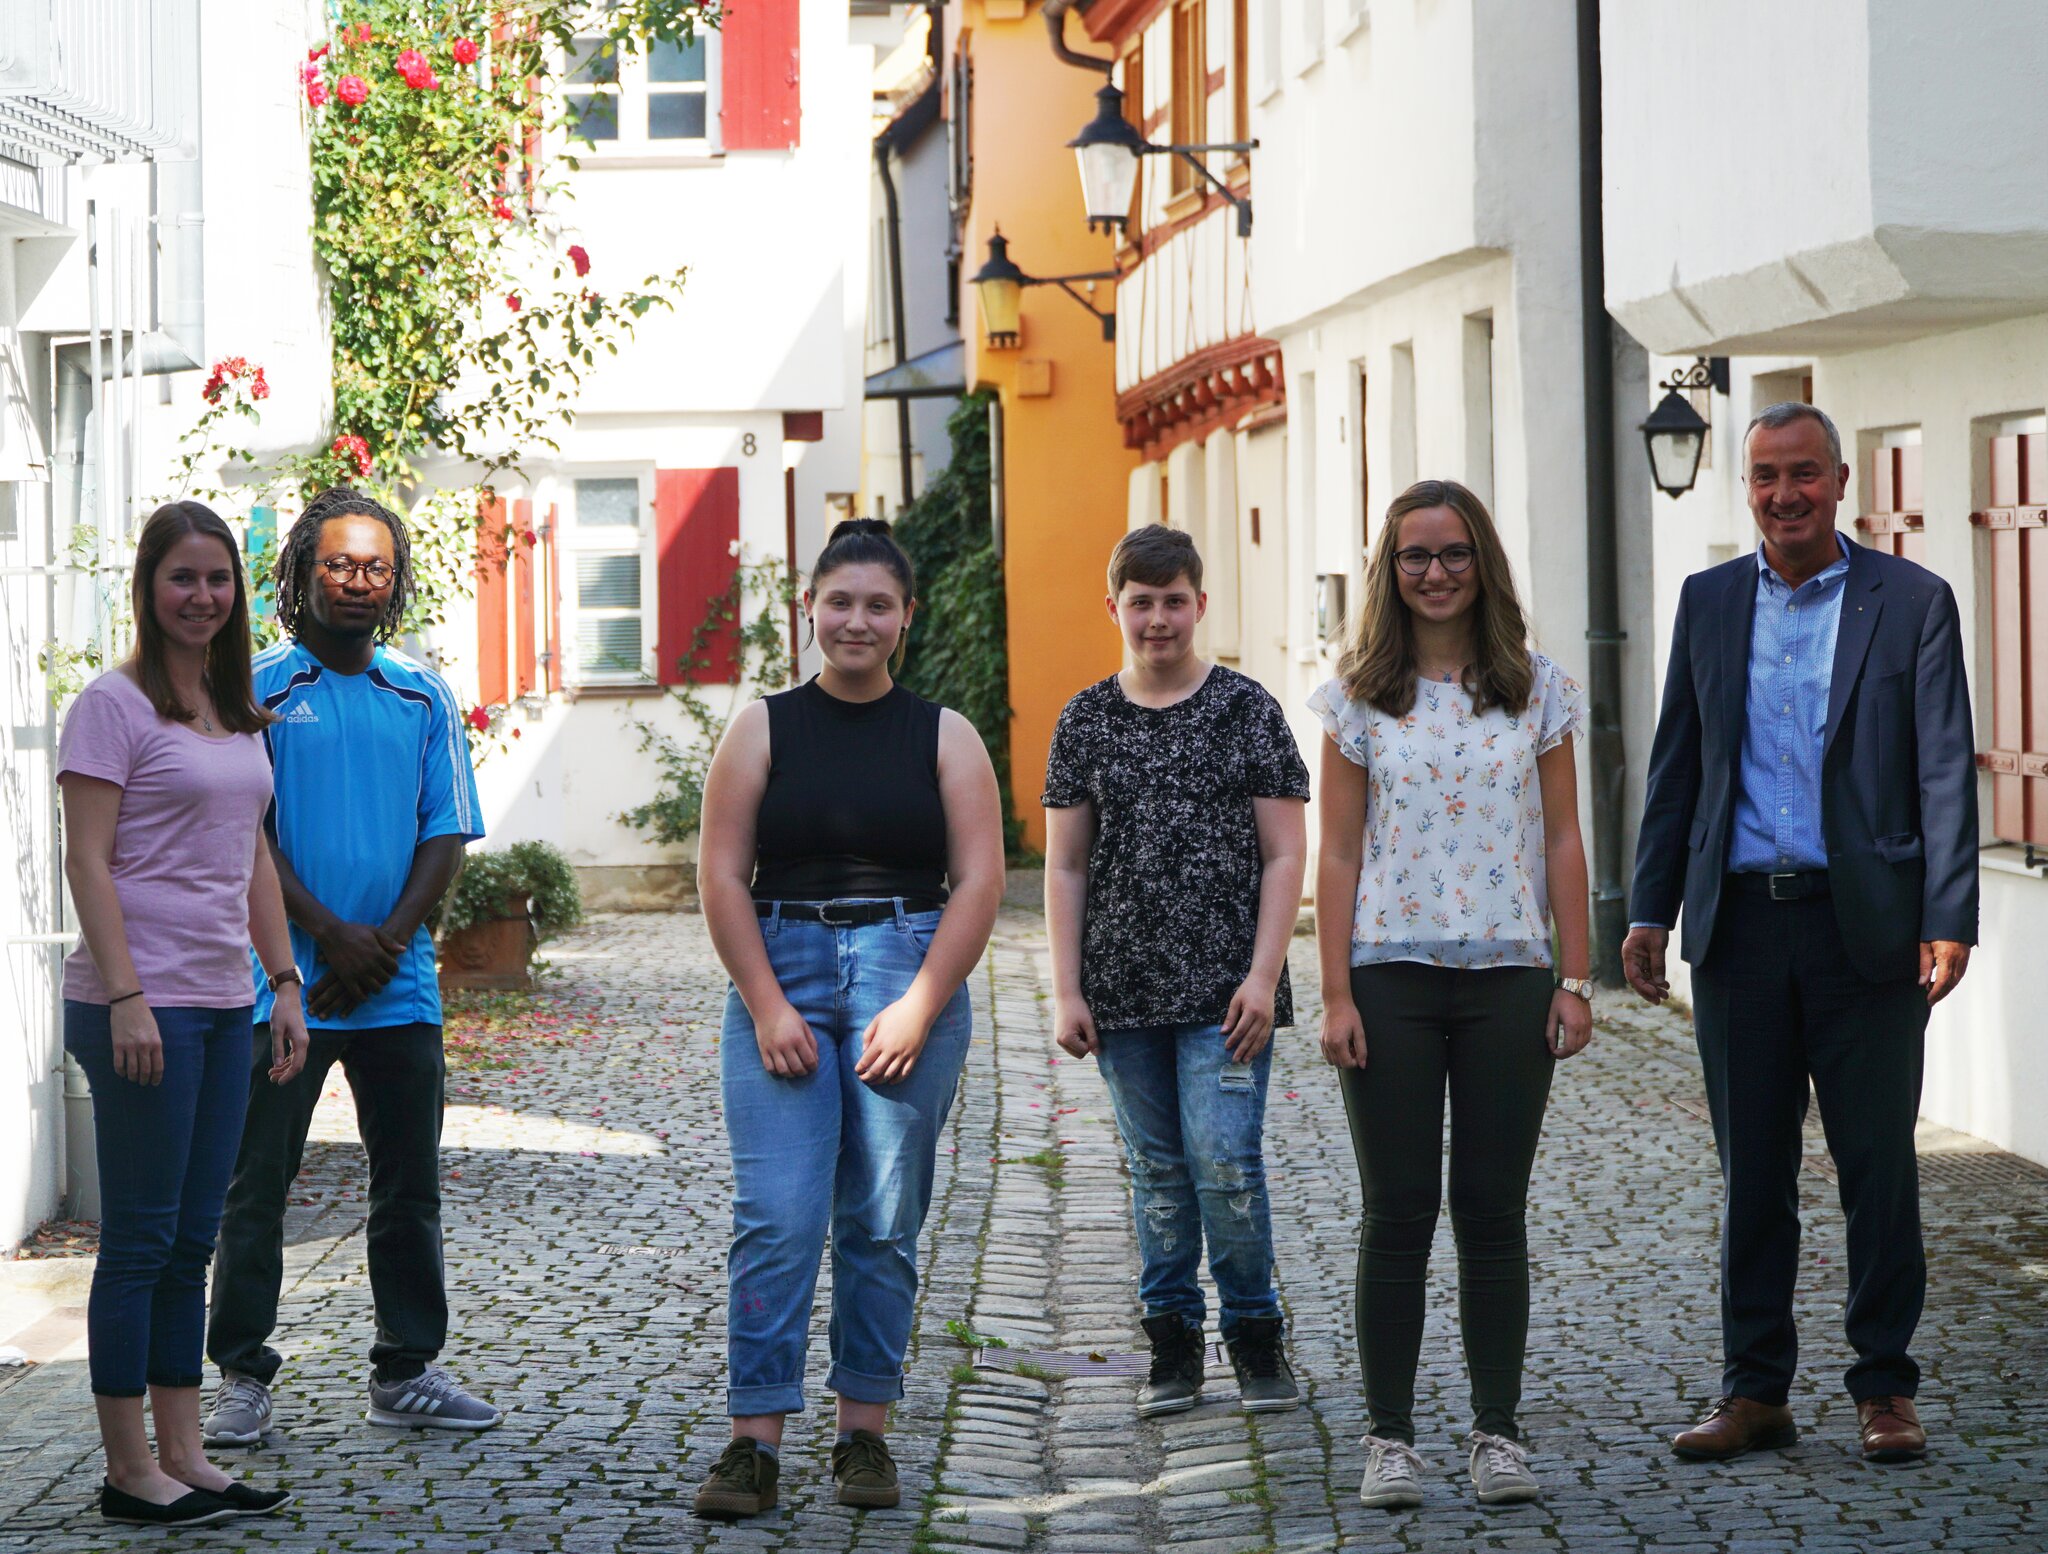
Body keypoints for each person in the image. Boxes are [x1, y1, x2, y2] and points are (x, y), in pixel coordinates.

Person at [1624, 403, 1976, 1465]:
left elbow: (1942, 765)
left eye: (1803, 475)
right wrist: (1648, 907)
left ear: (1838, 481)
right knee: (1751, 1172)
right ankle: (1753, 1390)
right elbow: (1676, 761)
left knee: (1876, 1166)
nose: (1783, 495)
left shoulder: (1908, 601)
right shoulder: (1707, 601)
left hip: (1861, 929)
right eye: (1764, 477)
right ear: (1746, 487)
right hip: (1737, 930)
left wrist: (1946, 915)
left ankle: (1883, 1387)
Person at [689, 518, 1004, 1520]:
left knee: (879, 1220)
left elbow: (981, 879)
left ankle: (862, 1434)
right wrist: (765, 1002)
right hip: (779, 968)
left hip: (903, 970)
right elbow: (719, 872)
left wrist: (919, 1003)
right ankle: (752, 1443)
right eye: (840, 602)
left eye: (877, 605)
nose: (856, 621)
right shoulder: (762, 726)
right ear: (809, 610)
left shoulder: (944, 734)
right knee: (777, 1217)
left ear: (905, 618)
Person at [1309, 478, 1592, 1511]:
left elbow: (1562, 836)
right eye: (1414, 556)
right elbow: (1335, 853)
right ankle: (1388, 1438)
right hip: (1387, 976)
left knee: (1490, 1210)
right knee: (1395, 1213)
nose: (1434, 572)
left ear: (1483, 565)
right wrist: (1333, 991)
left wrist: (1571, 975)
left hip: (1508, 979)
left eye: (1453, 553)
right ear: (1389, 570)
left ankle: (1496, 1433)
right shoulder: (1354, 698)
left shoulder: (1537, 691)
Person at [204, 487, 493, 1444]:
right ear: (299, 572)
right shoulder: (260, 691)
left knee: (407, 1186)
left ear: (395, 580)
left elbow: (445, 832)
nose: (357, 581)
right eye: (337, 563)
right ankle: (241, 1374)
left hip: (397, 993)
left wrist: (386, 946)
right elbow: (247, 831)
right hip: (283, 987)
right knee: (257, 1184)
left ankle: (405, 1369)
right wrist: (331, 936)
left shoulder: (423, 692)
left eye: (374, 566)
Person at [58, 501, 308, 1526]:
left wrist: (283, 979)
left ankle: (187, 1454)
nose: (202, 596)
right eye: (182, 578)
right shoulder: (111, 707)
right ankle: (128, 1473)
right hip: (137, 1005)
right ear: (148, 590)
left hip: (219, 1005)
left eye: (217, 579)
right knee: (142, 1240)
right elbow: (85, 858)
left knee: (191, 1238)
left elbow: (250, 854)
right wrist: (124, 996)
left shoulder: (233, 706)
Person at [1043, 524, 1311, 1423]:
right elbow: (1067, 866)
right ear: (1113, 606)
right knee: (1157, 1173)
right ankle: (1172, 1346)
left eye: (1174, 600)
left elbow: (1284, 855)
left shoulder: (1247, 710)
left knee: (1226, 1163)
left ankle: (1256, 1335)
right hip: (1121, 993)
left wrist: (1265, 976)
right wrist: (1068, 987)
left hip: (1229, 992)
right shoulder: (1084, 720)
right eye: (1140, 601)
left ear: (1201, 603)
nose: (1157, 619)